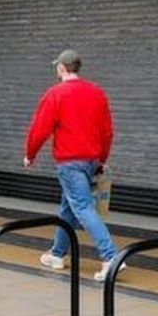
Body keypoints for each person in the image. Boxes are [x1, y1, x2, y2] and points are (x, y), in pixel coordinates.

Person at [24, 49, 122, 281]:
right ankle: (57, 254)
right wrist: (102, 160)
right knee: (69, 208)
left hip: (70, 162)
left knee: (83, 208)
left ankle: (111, 257)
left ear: (61, 68)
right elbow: (107, 131)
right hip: (91, 160)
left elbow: (40, 128)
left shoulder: (55, 94)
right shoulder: (97, 93)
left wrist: (30, 154)